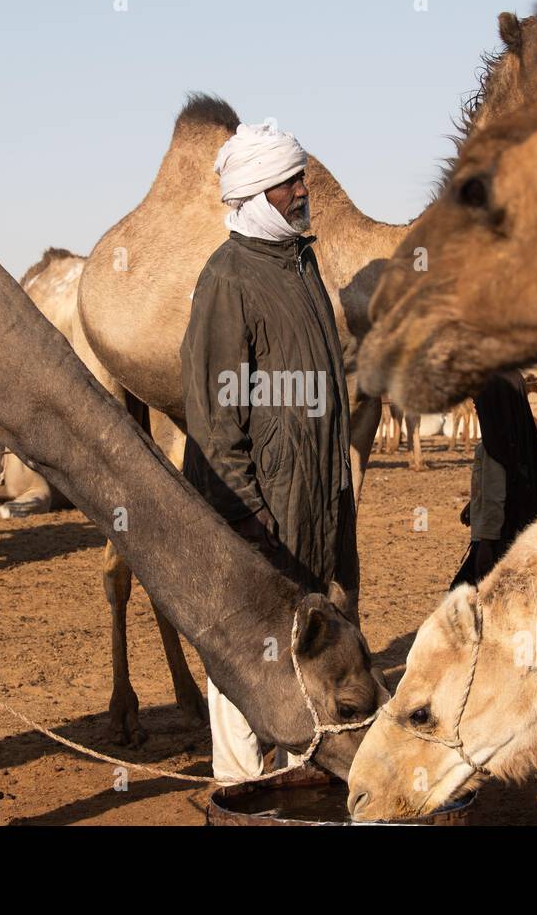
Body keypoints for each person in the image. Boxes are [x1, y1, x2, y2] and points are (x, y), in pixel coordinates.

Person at [180, 121, 355, 781]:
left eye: (300, 177)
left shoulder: (301, 265)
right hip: (257, 525)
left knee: (301, 667)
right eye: (291, 182)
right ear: (257, 192)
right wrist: (253, 534)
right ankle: (237, 800)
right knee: (241, 675)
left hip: (313, 507)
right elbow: (216, 429)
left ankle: (290, 792)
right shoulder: (228, 281)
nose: (305, 190)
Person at [452, 370, 537, 588]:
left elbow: (495, 496)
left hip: (496, 543)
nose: (474, 403)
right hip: (520, 538)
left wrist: (486, 546)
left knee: (460, 594)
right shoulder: (523, 445)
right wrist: (474, 505)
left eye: (479, 397)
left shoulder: (496, 448)